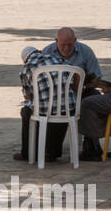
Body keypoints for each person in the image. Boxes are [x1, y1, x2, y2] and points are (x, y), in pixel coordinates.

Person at [14, 27, 102, 163]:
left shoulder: (86, 52)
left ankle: (91, 147)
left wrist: (78, 89)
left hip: (80, 91)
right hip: (64, 100)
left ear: (76, 41)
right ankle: (40, 150)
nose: (66, 48)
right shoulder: (48, 52)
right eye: (63, 45)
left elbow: (95, 77)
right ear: (56, 42)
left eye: (70, 44)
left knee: (92, 99)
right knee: (51, 108)